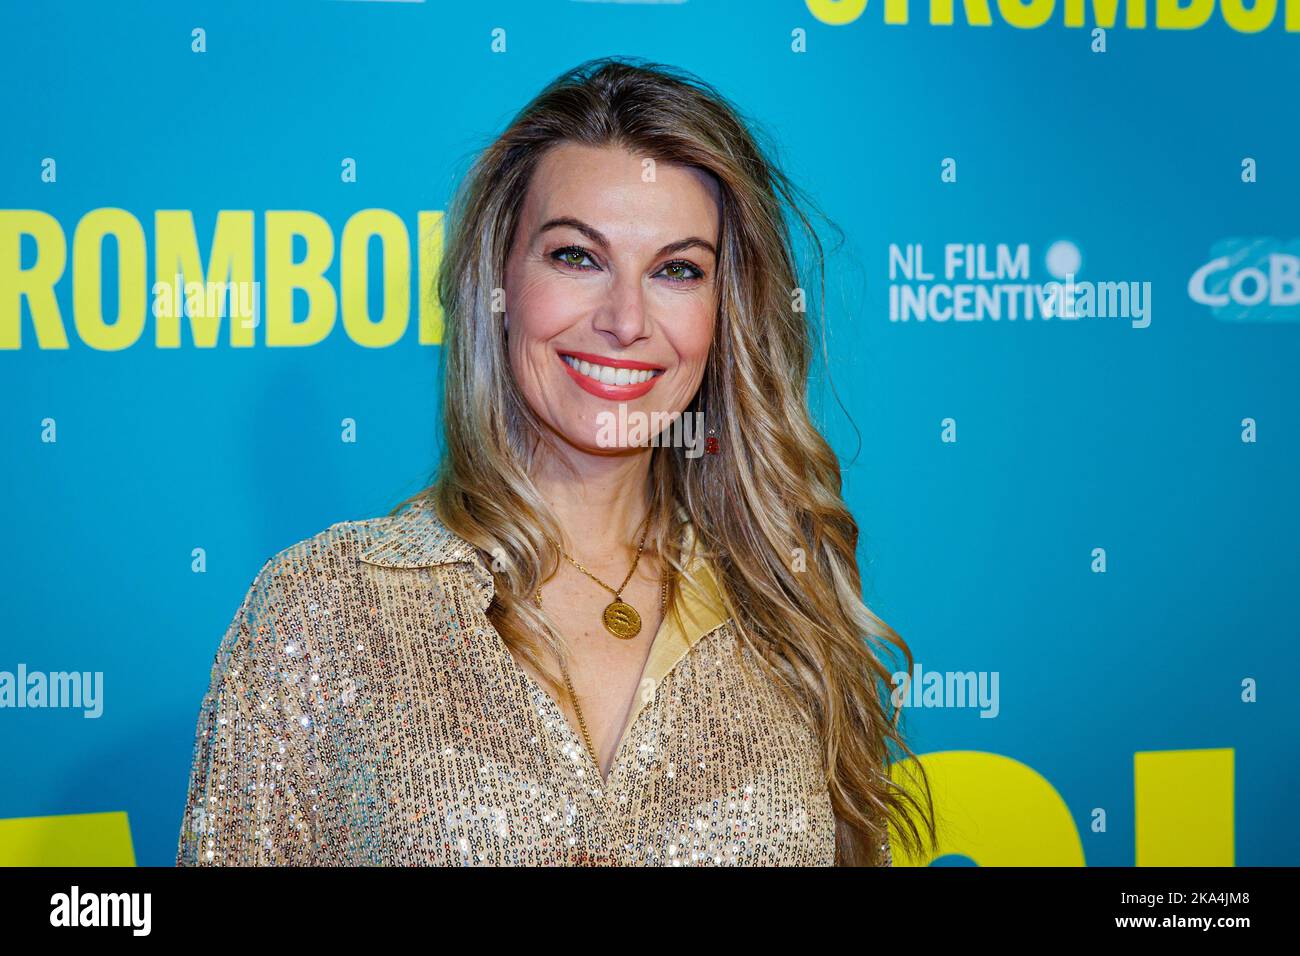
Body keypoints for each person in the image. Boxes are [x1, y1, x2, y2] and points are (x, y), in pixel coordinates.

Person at [176, 56, 935, 867]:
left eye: (678, 270)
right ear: (497, 279)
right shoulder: (323, 610)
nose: (625, 319)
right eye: (578, 256)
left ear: (727, 313)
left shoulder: (788, 609)